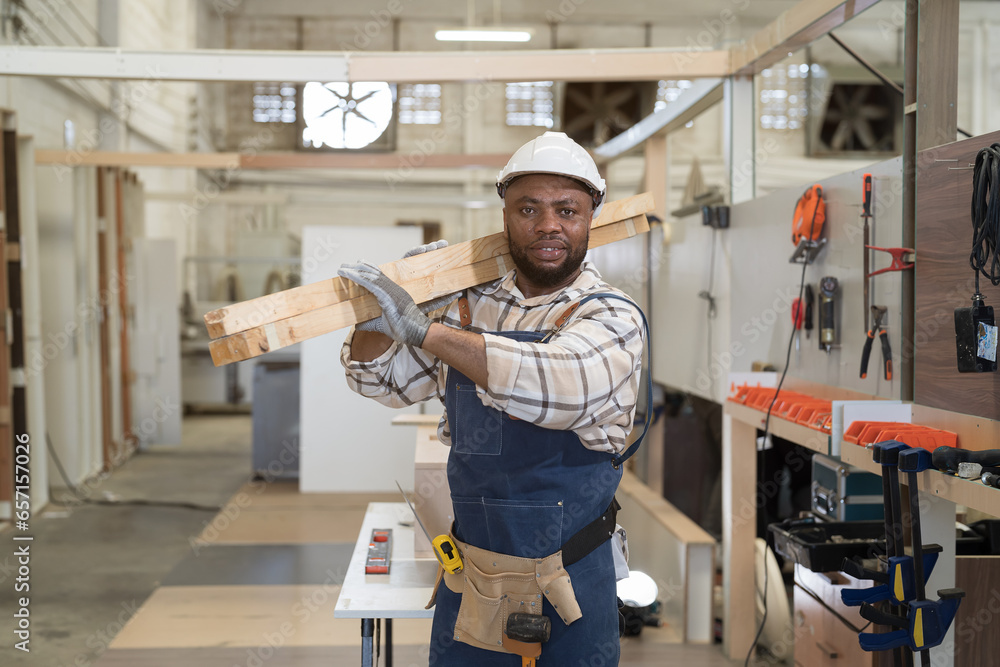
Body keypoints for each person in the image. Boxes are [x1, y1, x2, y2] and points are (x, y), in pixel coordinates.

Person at [339, 131, 647, 666]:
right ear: (504, 215)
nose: (548, 224)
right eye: (528, 208)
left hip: (571, 579)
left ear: (590, 217)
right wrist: (378, 320)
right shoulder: (467, 307)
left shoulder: (611, 316)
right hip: (472, 576)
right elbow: (378, 382)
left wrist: (427, 332)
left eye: (566, 209)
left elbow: (562, 388)